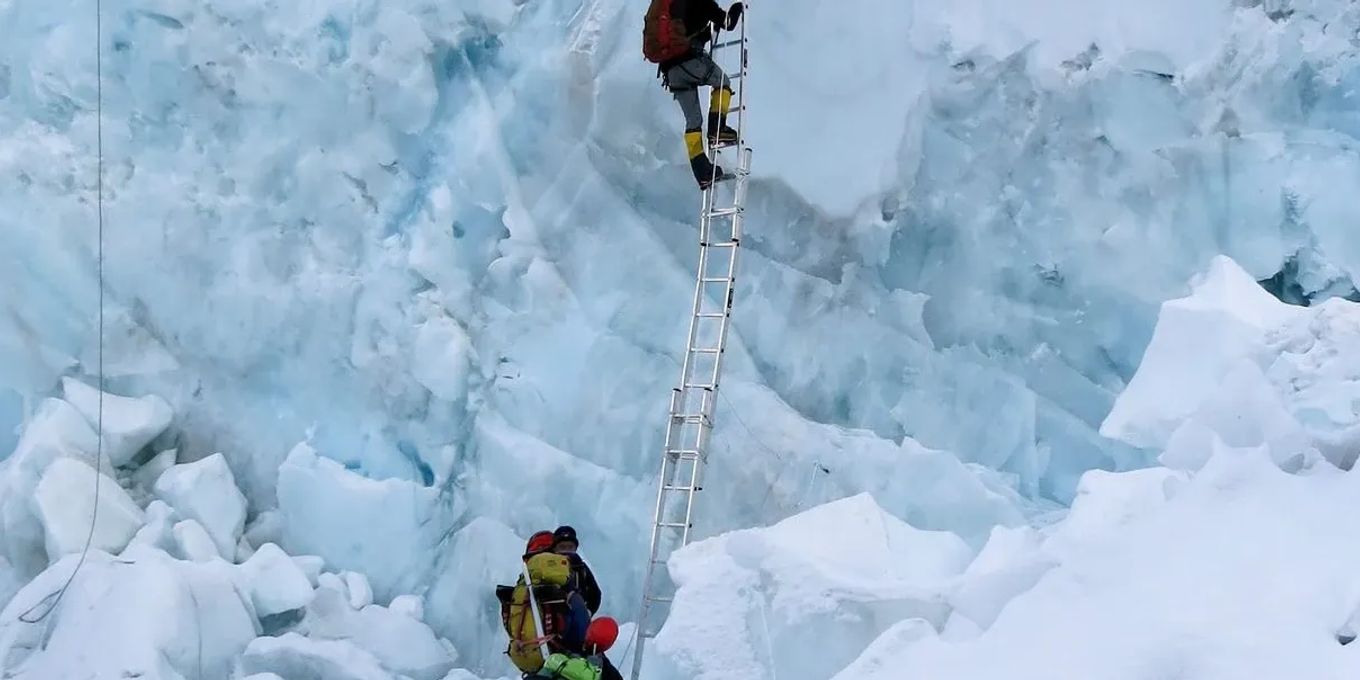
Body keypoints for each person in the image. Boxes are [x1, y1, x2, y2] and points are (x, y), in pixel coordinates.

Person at [643, 0, 746, 189]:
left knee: (693, 121)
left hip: (671, 73)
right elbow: (727, 23)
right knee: (722, 82)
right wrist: (737, 9)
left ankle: (703, 172)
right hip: (690, 61)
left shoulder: (668, 7)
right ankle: (718, 130)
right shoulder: (703, 3)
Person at [552, 526, 622, 680]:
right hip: (579, 637)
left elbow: (595, 595)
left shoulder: (547, 570)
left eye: (569, 547)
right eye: (562, 547)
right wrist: (586, 613)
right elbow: (595, 595)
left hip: (553, 638)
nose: (566, 551)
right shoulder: (579, 566)